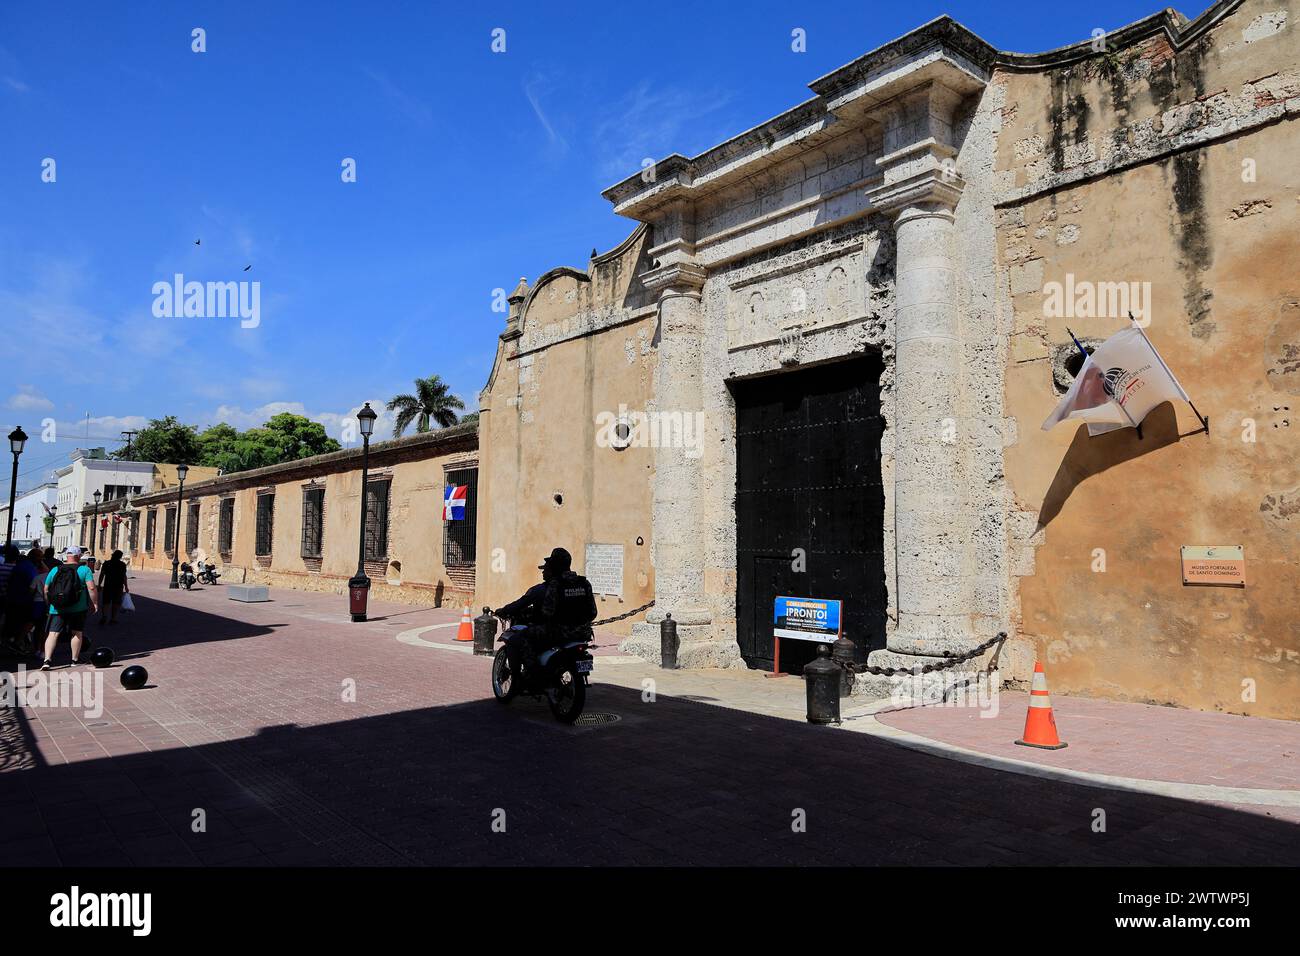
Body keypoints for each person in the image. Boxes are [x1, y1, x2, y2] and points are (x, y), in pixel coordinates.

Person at [495, 547, 597, 680]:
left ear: (554, 566)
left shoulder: (554, 584)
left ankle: (532, 675)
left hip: (556, 632)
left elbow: (547, 613)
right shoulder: (584, 583)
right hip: (582, 632)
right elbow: (593, 612)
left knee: (517, 639)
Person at [42, 546, 97, 670]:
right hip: (78, 608)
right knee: (76, 633)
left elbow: (46, 589)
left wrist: (50, 603)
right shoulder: (84, 570)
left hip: (57, 608)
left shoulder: (55, 569)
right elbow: (92, 588)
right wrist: (95, 603)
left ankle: (47, 660)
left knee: (53, 634)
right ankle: (74, 660)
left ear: (67, 556)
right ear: (79, 556)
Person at [97, 549, 128, 625]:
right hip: (118, 586)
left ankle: (104, 616)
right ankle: (113, 618)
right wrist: (126, 586)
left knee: (106, 602)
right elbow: (124, 576)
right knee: (116, 603)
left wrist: (99, 584)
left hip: (108, 585)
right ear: (120, 557)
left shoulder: (107, 563)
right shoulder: (122, 565)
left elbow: (102, 574)